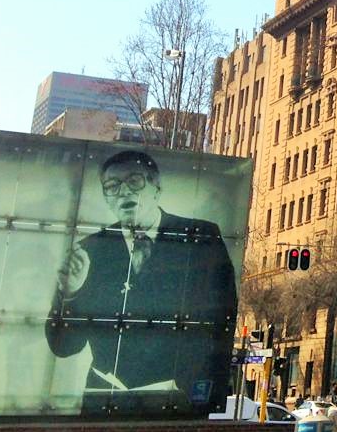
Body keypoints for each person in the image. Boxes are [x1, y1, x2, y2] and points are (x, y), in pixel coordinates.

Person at [45, 150, 237, 416]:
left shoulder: (200, 237)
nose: (124, 192)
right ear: (106, 199)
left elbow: (219, 325)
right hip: (103, 401)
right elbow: (64, 347)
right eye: (112, 187)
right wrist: (71, 293)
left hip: (175, 400)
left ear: (156, 189)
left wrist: (203, 397)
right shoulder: (90, 250)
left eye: (134, 182)